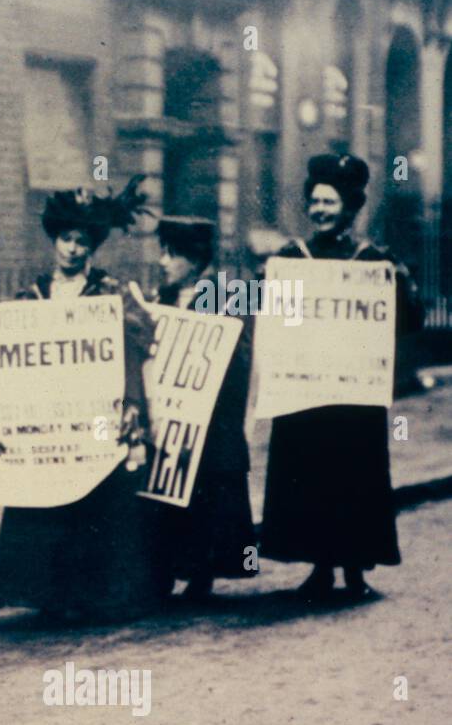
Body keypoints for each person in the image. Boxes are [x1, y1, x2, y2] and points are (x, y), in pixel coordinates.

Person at [0, 178, 171, 622]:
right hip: (47, 419)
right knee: (48, 501)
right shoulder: (31, 295)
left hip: (94, 419)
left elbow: (144, 336)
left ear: (93, 246)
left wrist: (127, 330)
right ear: (55, 240)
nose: (72, 249)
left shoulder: (109, 293)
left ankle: (94, 594)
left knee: (95, 502)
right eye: (66, 240)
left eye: (81, 242)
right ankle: (48, 594)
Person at [261, 153, 423, 600]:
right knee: (309, 475)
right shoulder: (292, 257)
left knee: (352, 476)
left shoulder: (374, 261)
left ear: (350, 207)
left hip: (353, 396)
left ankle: (354, 567)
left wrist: (399, 286)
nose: (320, 210)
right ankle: (319, 567)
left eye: (329, 202)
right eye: (314, 201)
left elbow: (410, 322)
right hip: (306, 390)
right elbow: (275, 321)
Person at [148, 216, 256, 599]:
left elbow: (238, 359)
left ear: (194, 260)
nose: (163, 262)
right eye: (163, 252)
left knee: (204, 495)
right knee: (163, 493)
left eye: (172, 254)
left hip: (210, 421)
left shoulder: (226, 296)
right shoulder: (162, 297)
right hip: (169, 415)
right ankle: (163, 569)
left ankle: (200, 572)